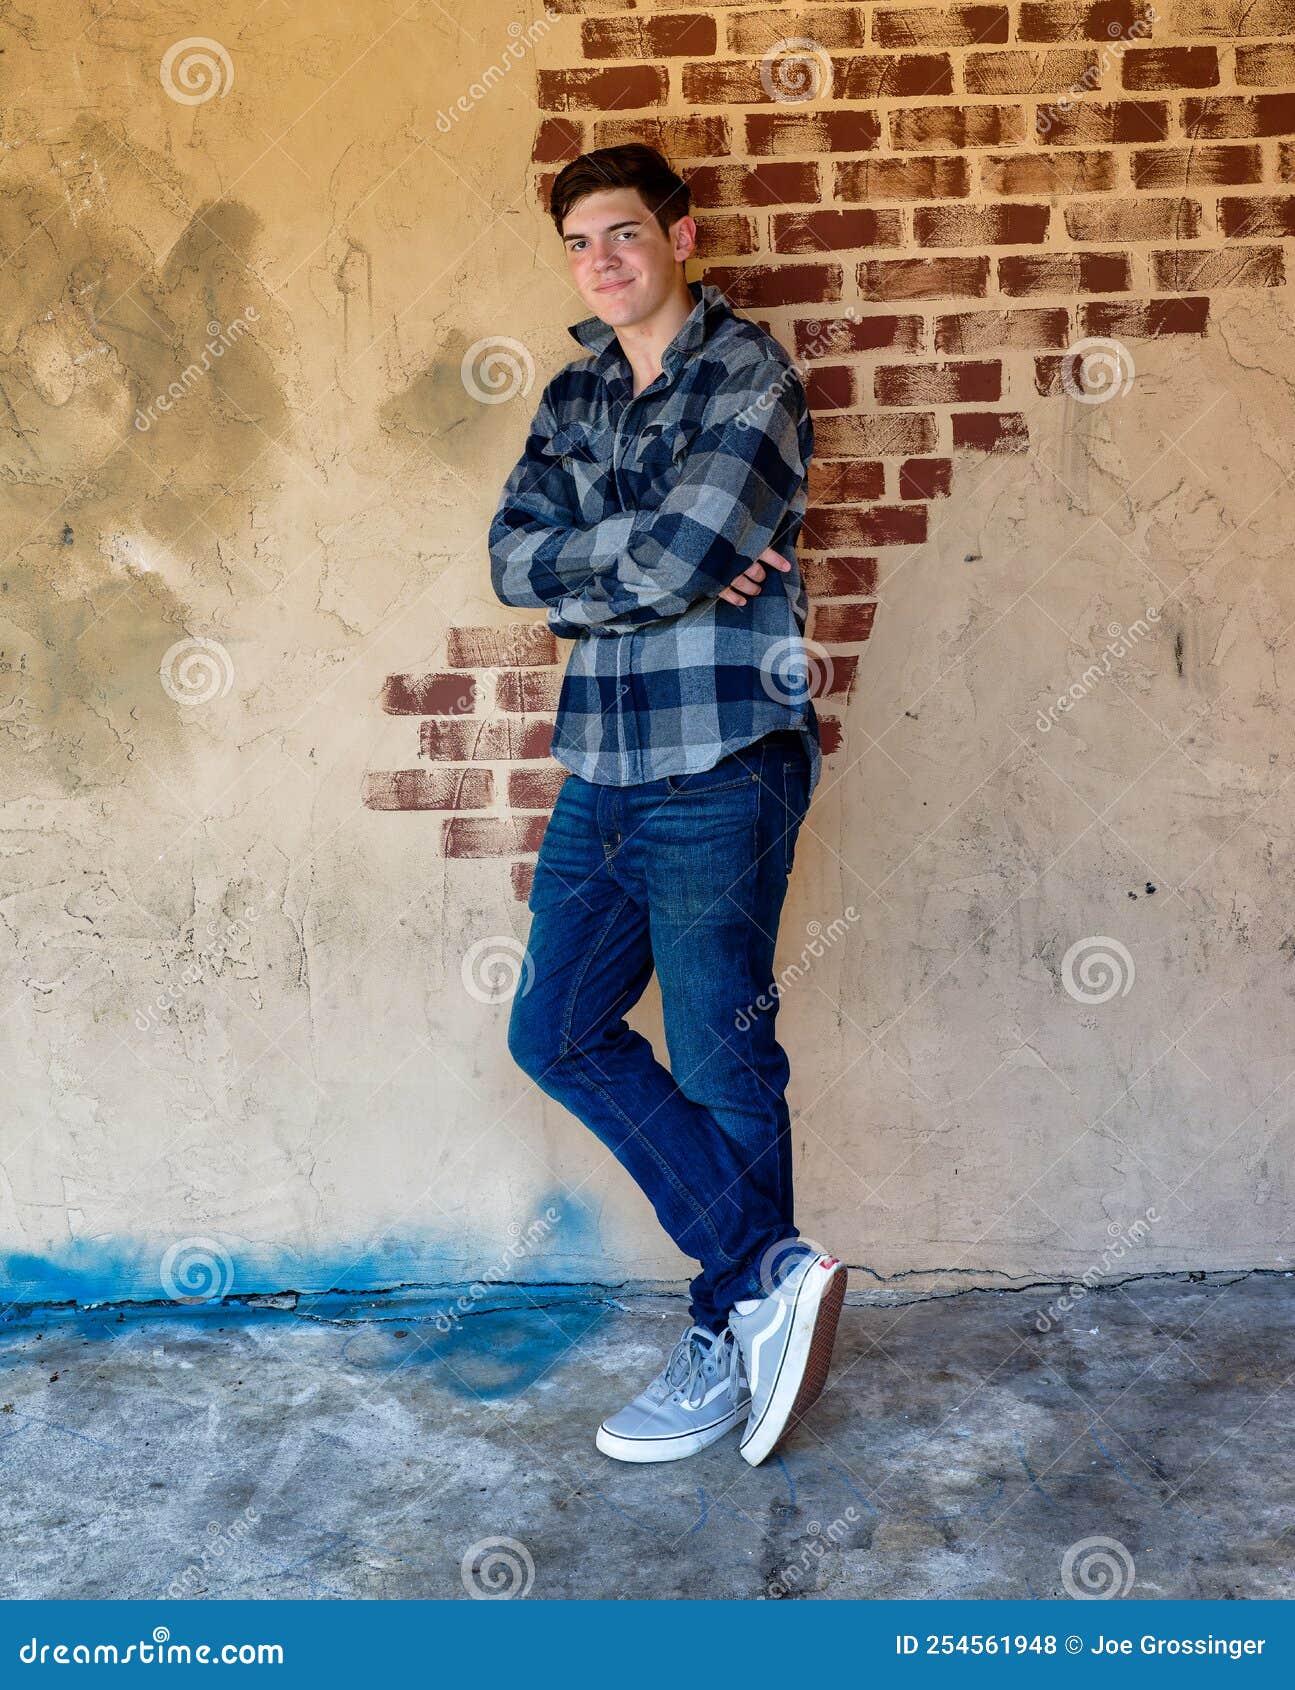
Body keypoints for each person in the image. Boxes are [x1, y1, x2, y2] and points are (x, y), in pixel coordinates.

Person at [488, 142, 846, 1467]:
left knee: (719, 1058)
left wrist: (625, 569)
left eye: (625, 234)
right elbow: (510, 557)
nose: (602, 261)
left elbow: (682, 544)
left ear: (682, 237)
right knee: (557, 1028)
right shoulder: (575, 388)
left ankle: (727, 1319)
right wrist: (648, 573)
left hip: (720, 756)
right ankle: (766, 1279)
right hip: (606, 763)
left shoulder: (745, 372)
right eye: (581, 242)